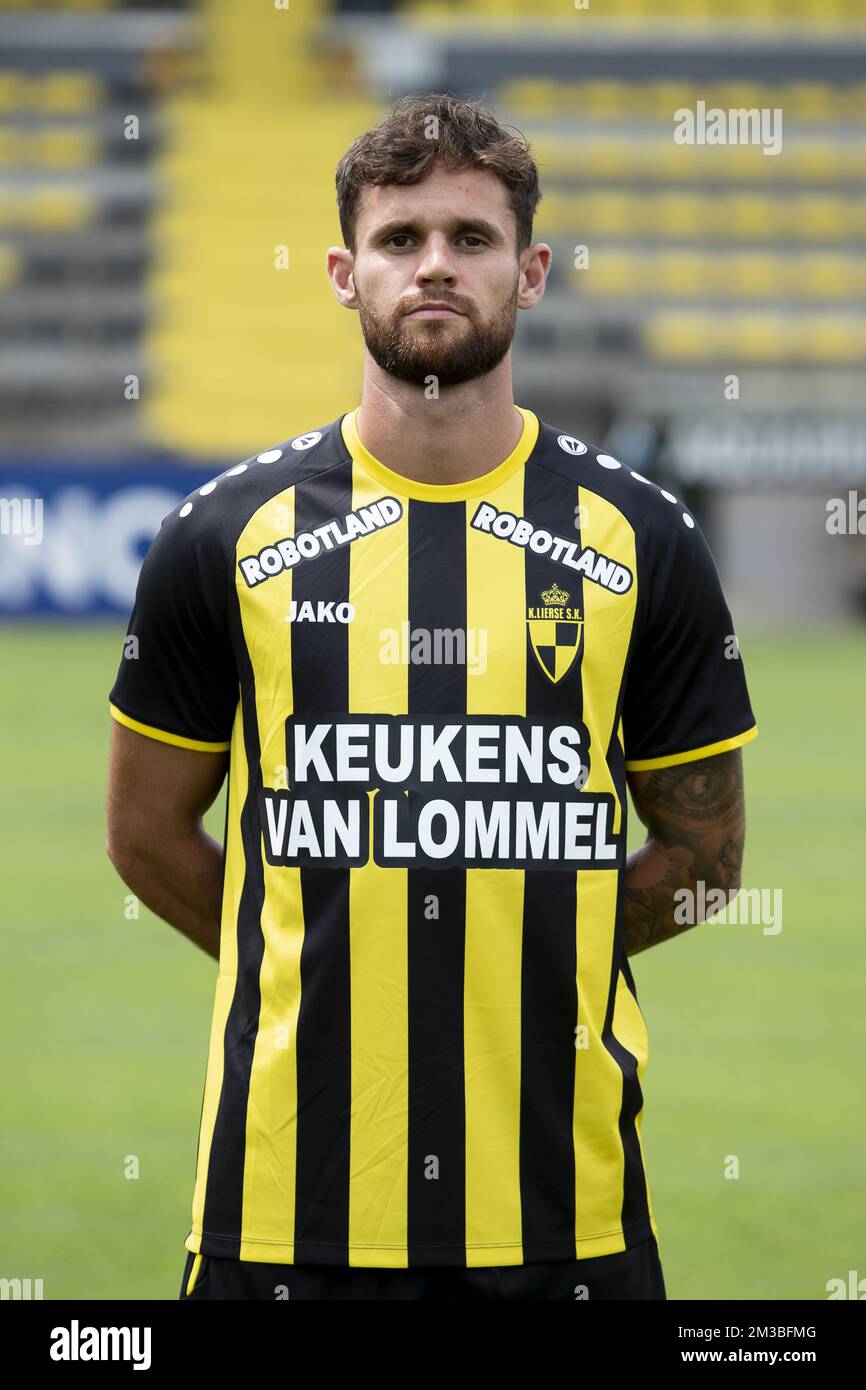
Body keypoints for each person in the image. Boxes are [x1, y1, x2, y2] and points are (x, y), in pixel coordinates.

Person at [106, 94, 757, 1301]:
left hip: (567, 1222)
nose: (435, 267)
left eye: (471, 238)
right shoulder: (219, 535)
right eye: (400, 240)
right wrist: (313, 954)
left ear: (532, 270)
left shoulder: (642, 537)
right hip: (280, 1222)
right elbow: (144, 833)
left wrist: (525, 949)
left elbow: (706, 853)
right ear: (346, 275)